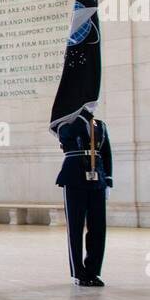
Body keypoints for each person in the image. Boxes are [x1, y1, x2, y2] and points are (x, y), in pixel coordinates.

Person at [54, 104, 112, 286]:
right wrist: (82, 116)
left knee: (98, 227)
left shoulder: (100, 125)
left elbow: (106, 152)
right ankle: (78, 272)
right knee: (76, 226)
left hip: (97, 177)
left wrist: (108, 180)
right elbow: (67, 135)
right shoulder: (64, 123)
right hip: (74, 177)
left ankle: (93, 271)